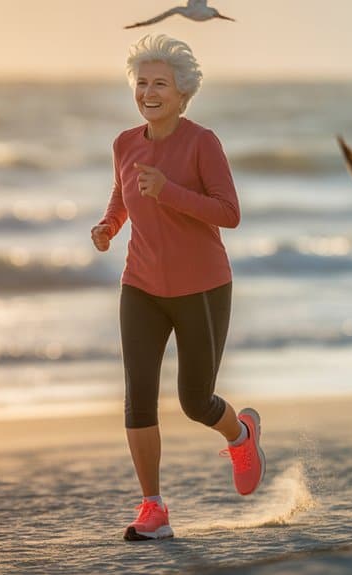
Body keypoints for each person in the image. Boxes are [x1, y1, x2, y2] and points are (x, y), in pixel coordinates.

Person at [91, 34, 265, 542]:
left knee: (195, 401)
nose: (148, 92)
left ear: (182, 92)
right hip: (141, 286)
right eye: (142, 83)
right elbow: (122, 194)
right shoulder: (124, 143)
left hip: (202, 287)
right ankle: (154, 508)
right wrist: (108, 226)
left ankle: (241, 434)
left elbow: (229, 213)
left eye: (160, 84)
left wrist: (169, 193)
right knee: (138, 398)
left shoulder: (202, 142)